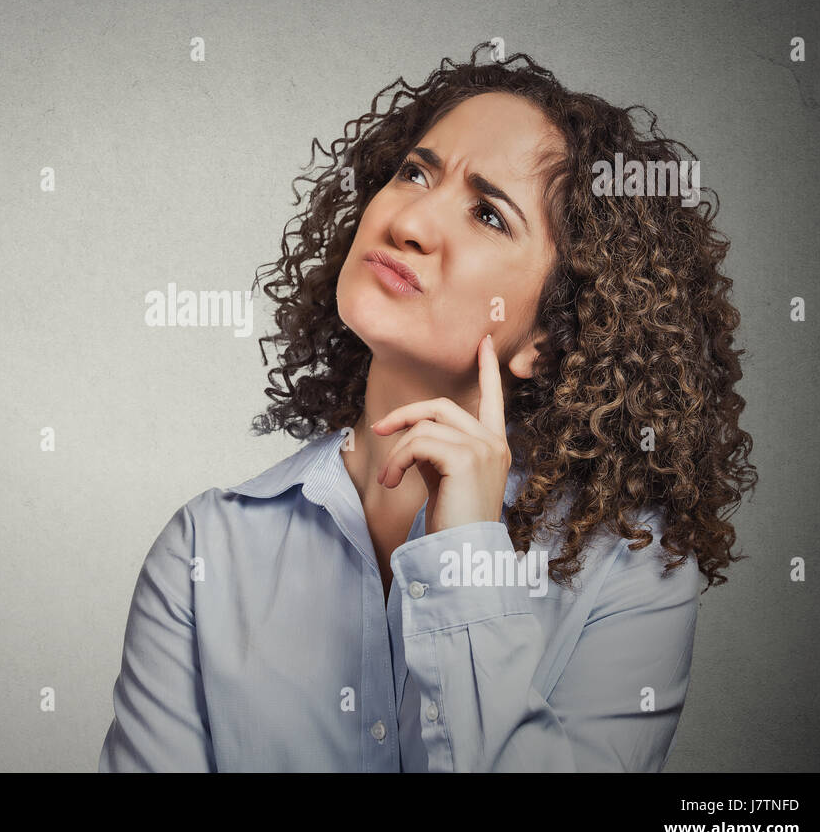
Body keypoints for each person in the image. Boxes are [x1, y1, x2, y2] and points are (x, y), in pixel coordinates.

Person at [98, 44, 757, 772]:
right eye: (415, 171)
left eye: (488, 214)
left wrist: (467, 561)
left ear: (548, 332)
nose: (410, 221)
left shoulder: (632, 569)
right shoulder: (204, 552)